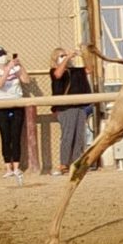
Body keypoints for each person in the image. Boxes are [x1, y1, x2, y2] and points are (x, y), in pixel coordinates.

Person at [0, 47, 29, 183]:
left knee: (16, 135)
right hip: (1, 105)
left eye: (4, 54)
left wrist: (19, 66)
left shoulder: (14, 68)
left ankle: (16, 166)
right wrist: (6, 69)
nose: (3, 57)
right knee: (5, 136)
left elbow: (26, 80)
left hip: (16, 103)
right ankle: (8, 168)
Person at [49, 46, 93, 175]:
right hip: (65, 108)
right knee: (68, 136)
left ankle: (77, 162)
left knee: (79, 136)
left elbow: (89, 69)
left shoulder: (76, 71)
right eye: (61, 56)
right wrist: (67, 57)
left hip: (79, 106)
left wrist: (83, 55)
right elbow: (58, 74)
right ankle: (64, 164)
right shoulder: (54, 71)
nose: (64, 57)